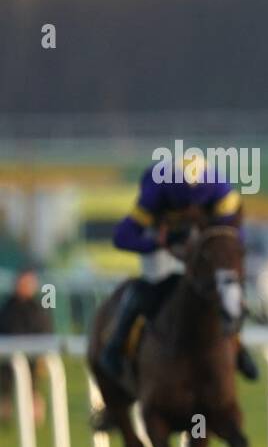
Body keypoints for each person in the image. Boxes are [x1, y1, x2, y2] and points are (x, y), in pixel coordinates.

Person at [97, 160, 258, 382]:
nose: (191, 205)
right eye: (186, 196)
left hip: (201, 248)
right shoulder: (156, 188)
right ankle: (115, 346)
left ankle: (238, 347)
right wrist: (157, 243)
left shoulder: (220, 189)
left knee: (227, 287)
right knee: (153, 286)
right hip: (164, 244)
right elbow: (121, 237)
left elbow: (233, 237)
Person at [0, 266, 54, 424]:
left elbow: (45, 331)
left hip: (32, 357)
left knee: (31, 385)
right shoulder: (8, 307)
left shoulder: (40, 308)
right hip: (8, 357)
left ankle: (33, 410)